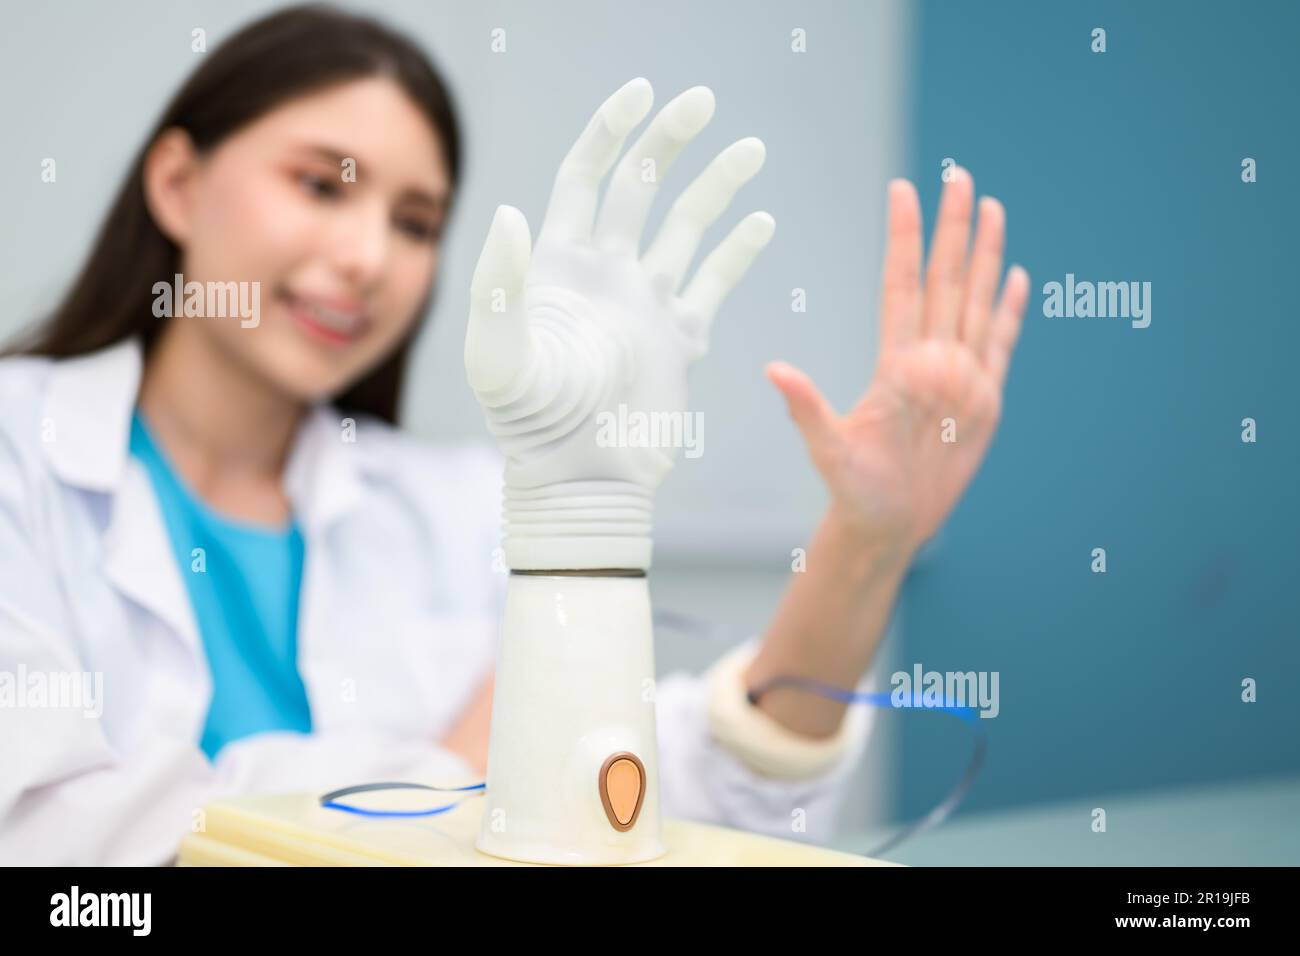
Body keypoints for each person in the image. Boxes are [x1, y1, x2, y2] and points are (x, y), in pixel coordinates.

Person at [0, 4, 1029, 864]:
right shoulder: (15, 451)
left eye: (415, 222)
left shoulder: (463, 501)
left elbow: (662, 786)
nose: (367, 256)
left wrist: (865, 539)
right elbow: (50, 827)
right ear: (177, 183)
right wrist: (450, 772)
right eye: (322, 184)